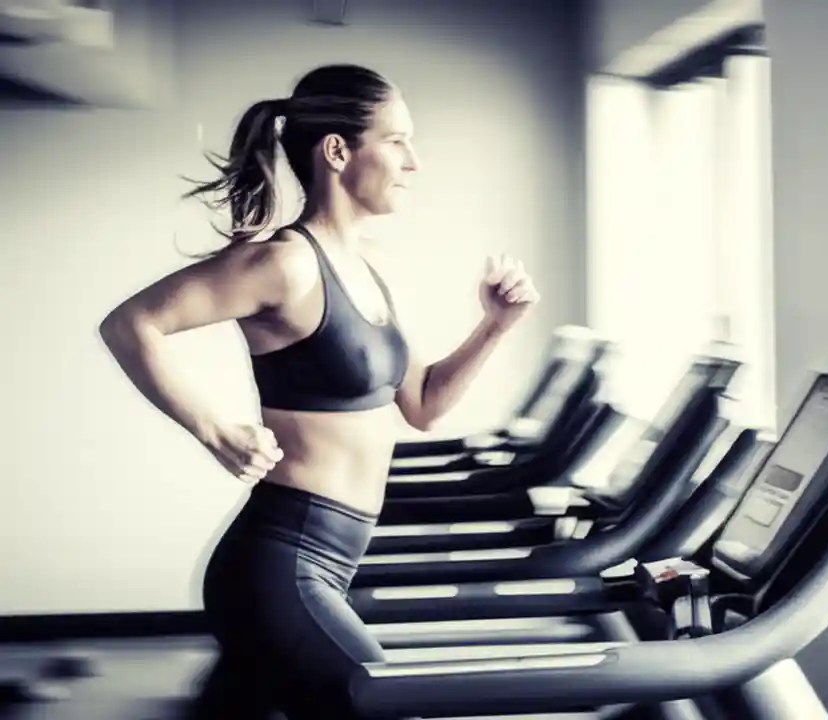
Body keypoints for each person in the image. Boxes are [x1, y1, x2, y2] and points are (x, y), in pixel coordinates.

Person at [97, 64, 540, 718]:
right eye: (397, 140)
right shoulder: (286, 264)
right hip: (282, 563)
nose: (413, 161)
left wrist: (495, 326)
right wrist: (213, 429)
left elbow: (422, 405)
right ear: (337, 151)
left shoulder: (371, 266)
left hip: (332, 561)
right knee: (381, 704)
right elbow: (131, 324)